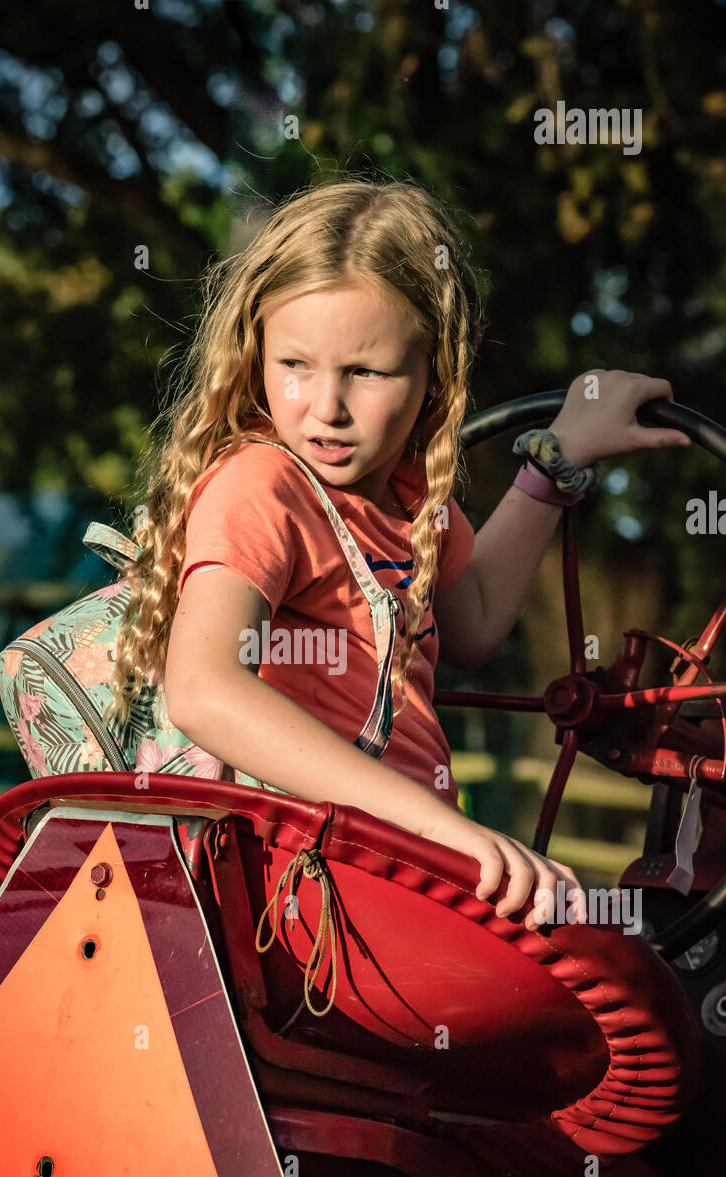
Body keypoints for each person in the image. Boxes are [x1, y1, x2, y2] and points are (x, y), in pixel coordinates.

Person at [106, 176, 690, 933]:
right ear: (253, 357)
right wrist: (444, 829)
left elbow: (472, 624)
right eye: (293, 365)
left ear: (434, 378)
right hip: (312, 890)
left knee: (643, 951)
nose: (325, 407)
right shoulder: (264, 485)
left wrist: (555, 462)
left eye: (367, 373)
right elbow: (204, 689)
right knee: (628, 996)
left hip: (397, 875)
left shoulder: (411, 500)